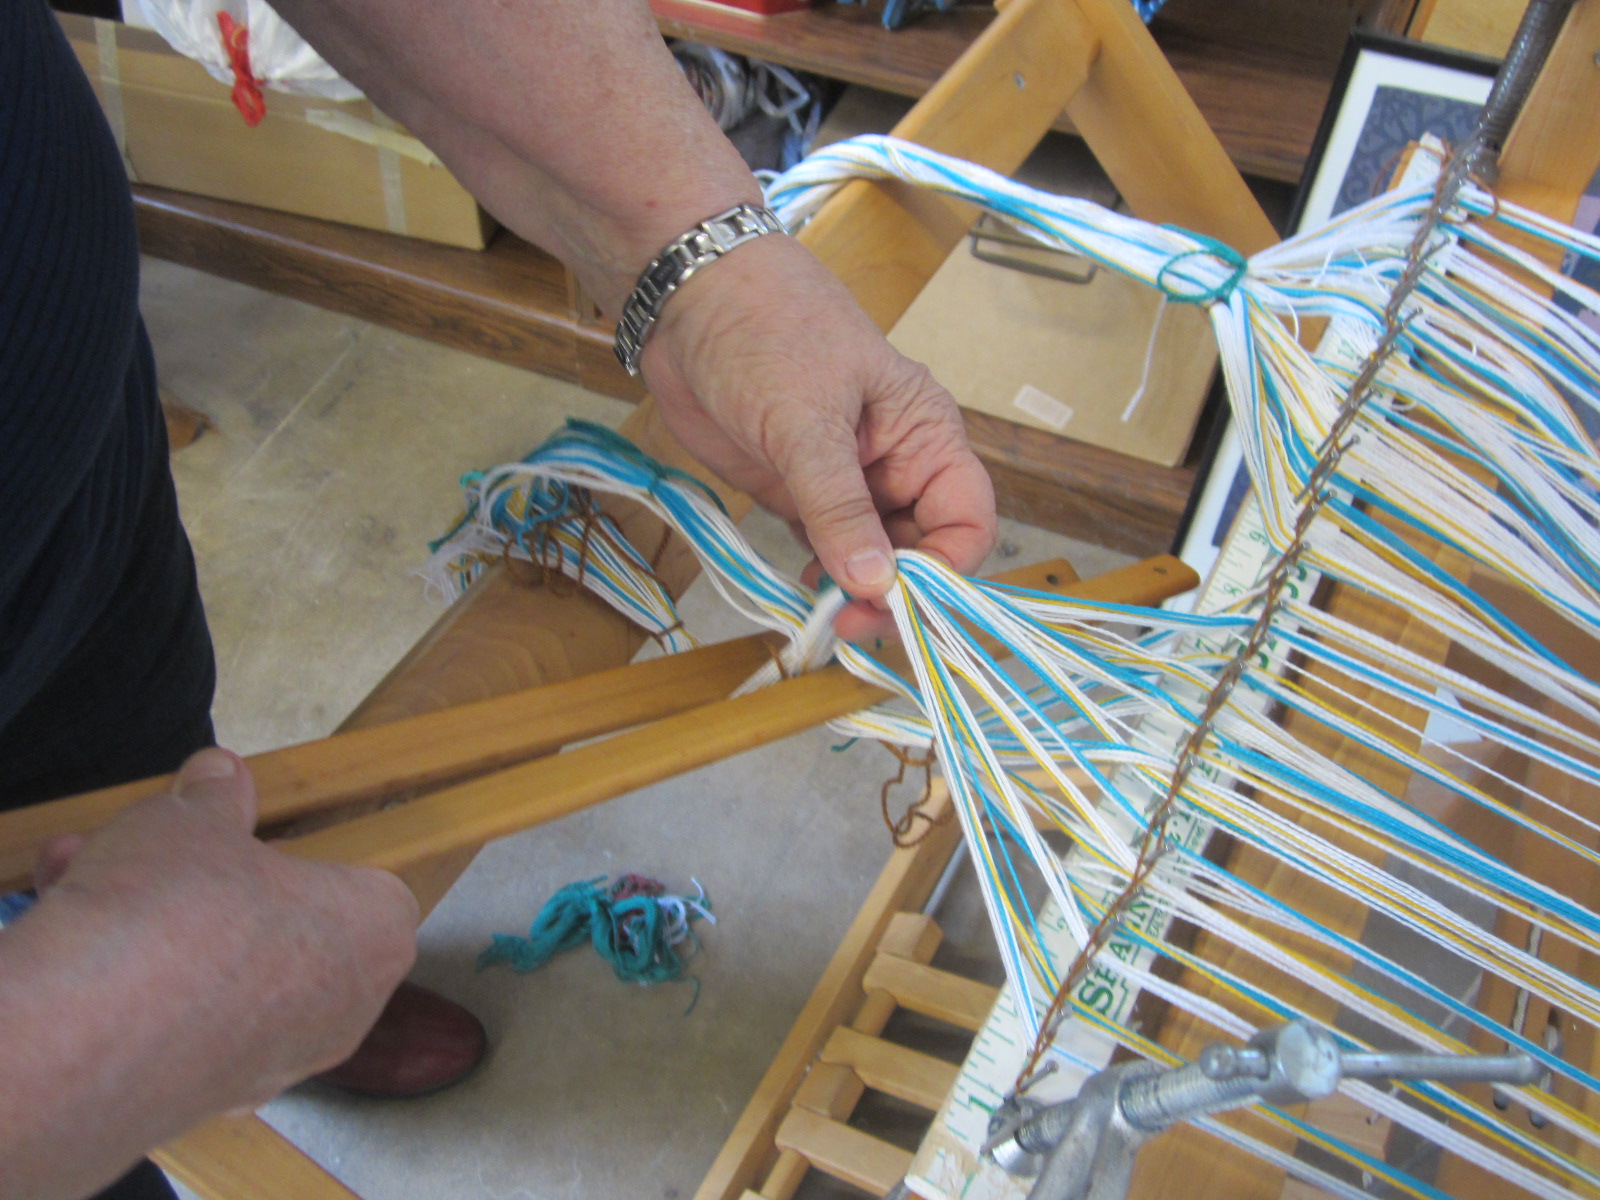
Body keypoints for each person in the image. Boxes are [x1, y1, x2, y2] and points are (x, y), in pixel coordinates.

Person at [0, 0, 997, 1197]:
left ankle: (261, 954)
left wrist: (709, 263)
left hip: (58, 482)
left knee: (166, 781)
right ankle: (200, 1012)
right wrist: (69, 1058)